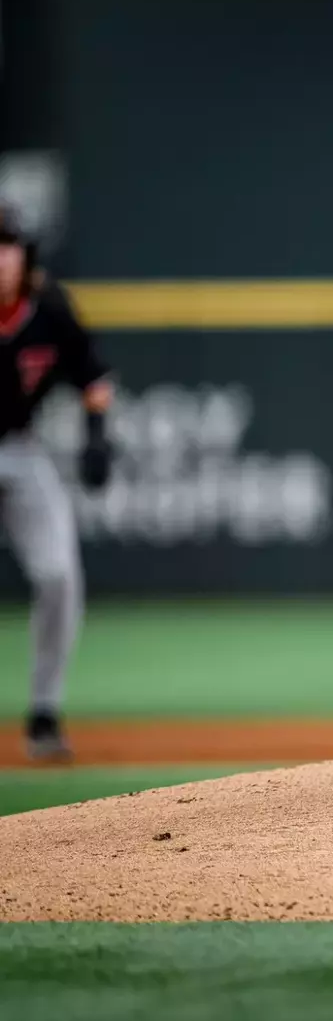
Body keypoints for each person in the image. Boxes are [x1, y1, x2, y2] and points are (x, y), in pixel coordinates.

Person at [0, 203, 114, 762]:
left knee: (59, 575)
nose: (0, 258)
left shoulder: (48, 308)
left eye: (7, 246)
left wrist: (97, 436)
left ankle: (44, 714)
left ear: (25, 256)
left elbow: (94, 378)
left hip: (20, 449)